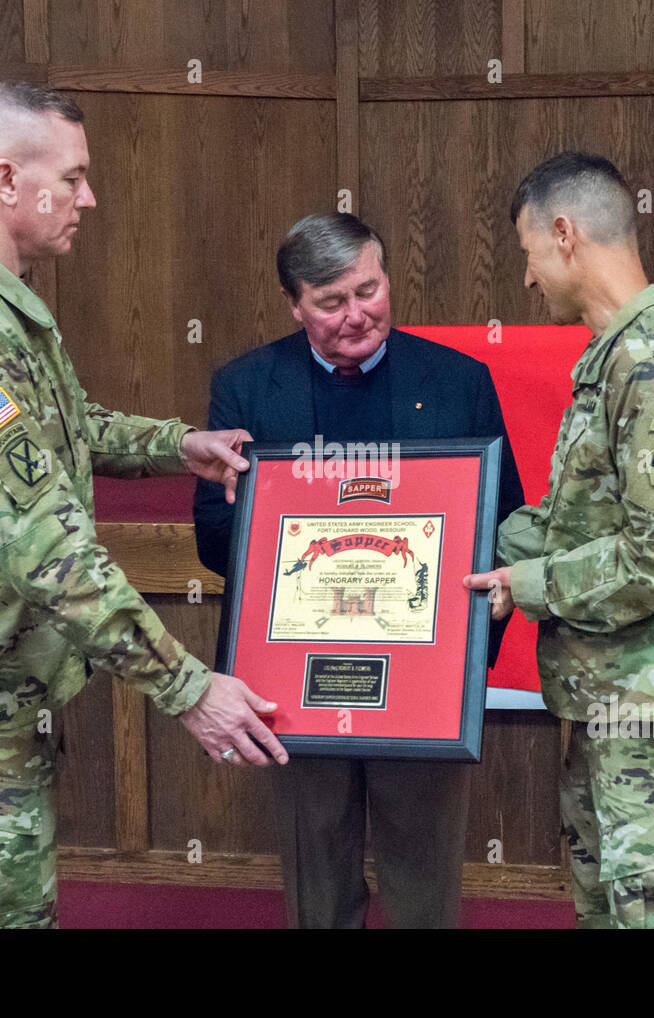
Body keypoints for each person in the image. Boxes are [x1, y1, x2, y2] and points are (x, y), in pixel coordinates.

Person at [0, 81, 287, 930]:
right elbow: (49, 556)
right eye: (76, 176)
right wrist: (189, 688)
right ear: (10, 180)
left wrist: (176, 447)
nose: (89, 198)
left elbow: (63, 427)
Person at [193, 212, 525, 928]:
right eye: (330, 302)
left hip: (423, 680)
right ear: (295, 304)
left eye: (368, 291)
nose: (356, 316)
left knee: (423, 877)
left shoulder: (458, 380)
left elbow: (504, 521)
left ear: (385, 278)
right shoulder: (247, 386)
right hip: (295, 677)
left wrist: (467, 657)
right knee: (317, 874)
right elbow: (214, 536)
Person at [465, 151, 654, 929]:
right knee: (609, 915)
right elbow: (576, 526)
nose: (527, 279)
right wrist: (456, 540)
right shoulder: (613, 367)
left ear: (564, 234)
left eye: (528, 253)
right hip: (614, 705)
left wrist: (520, 587)